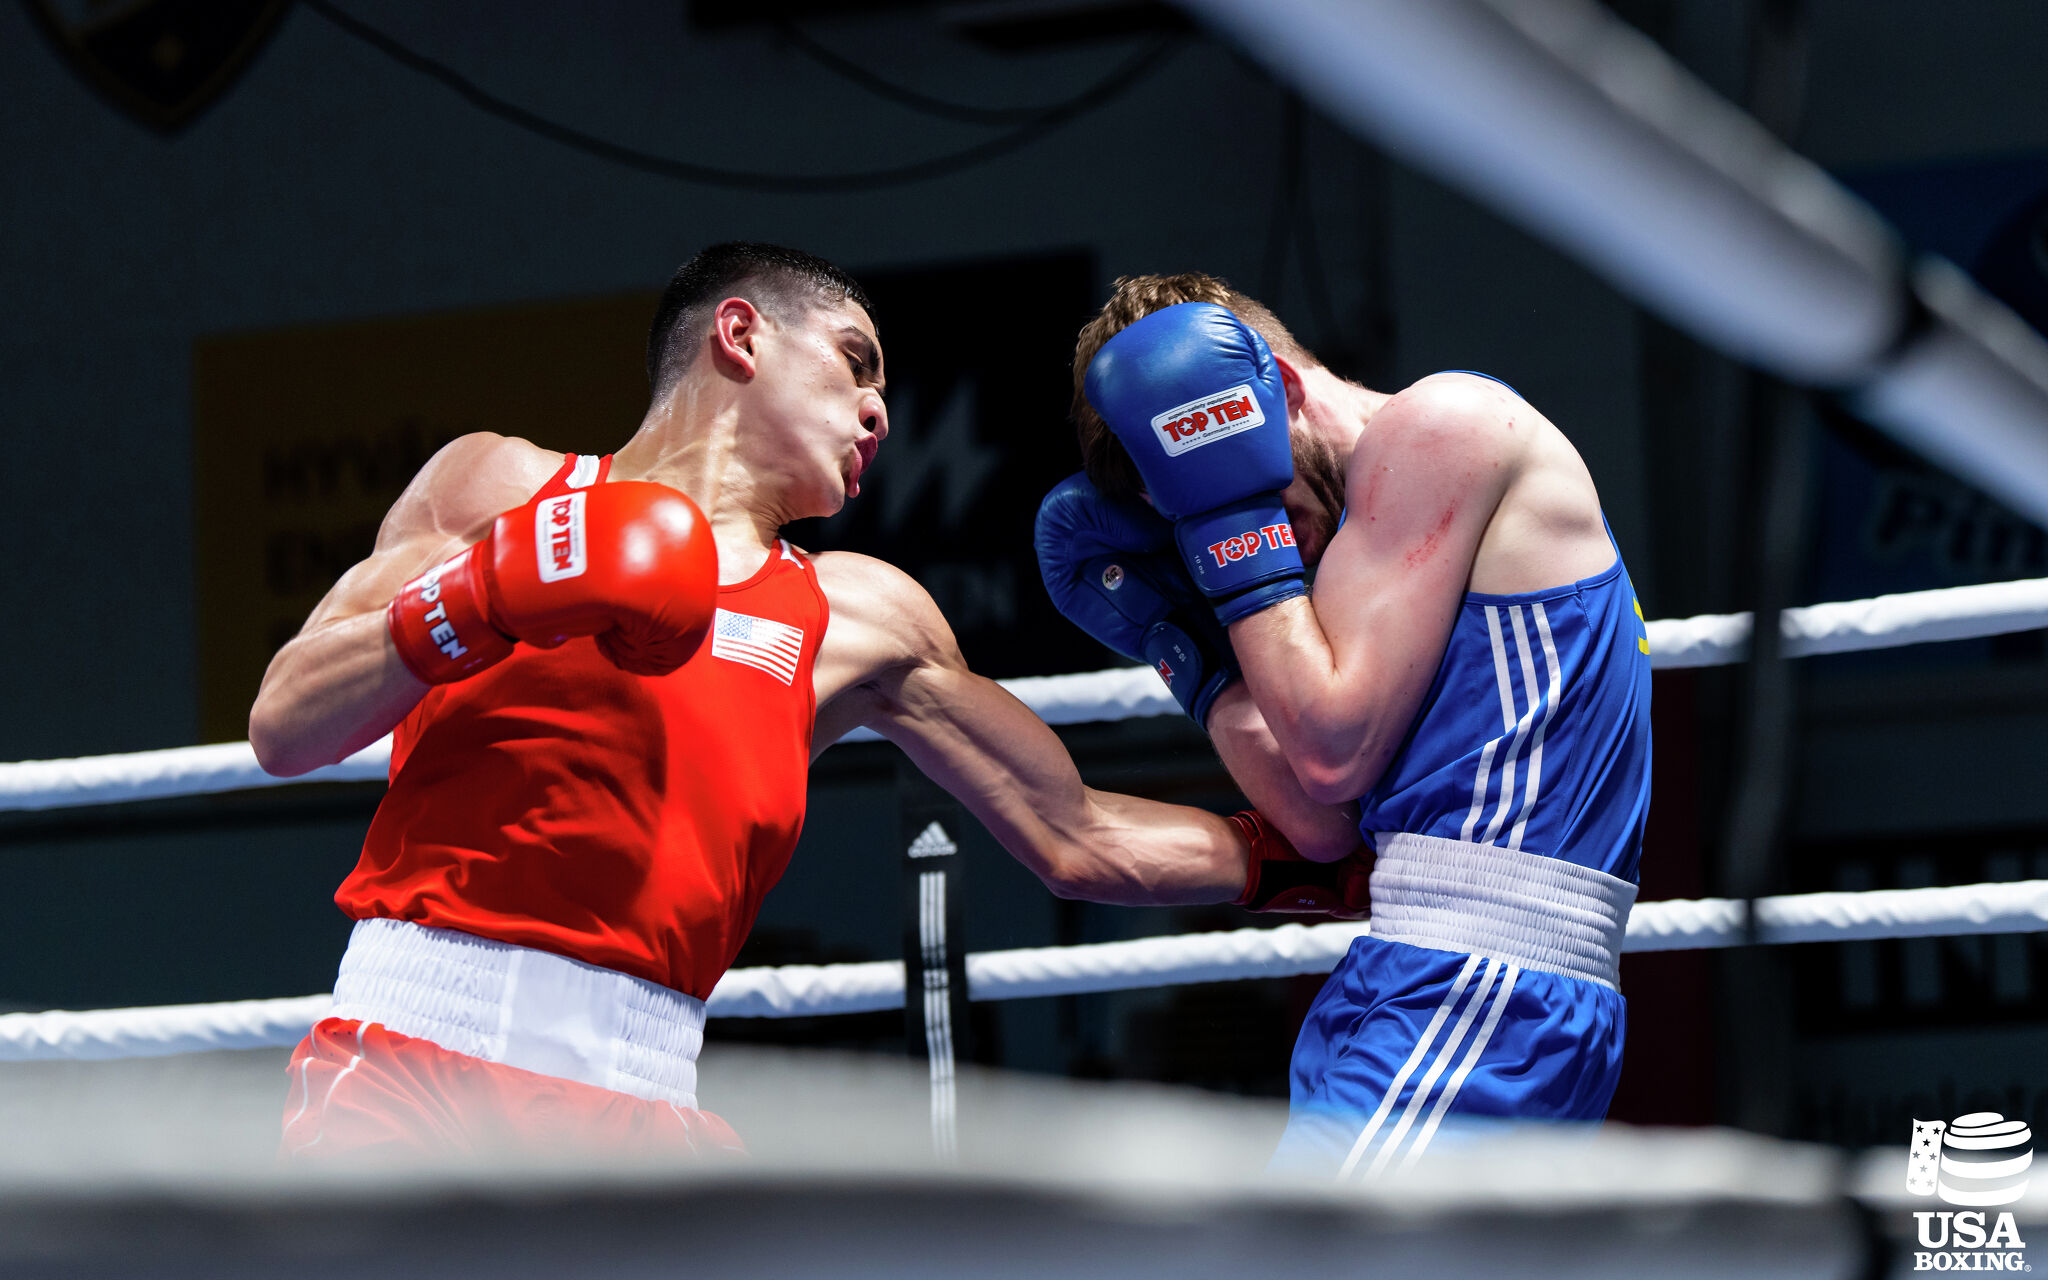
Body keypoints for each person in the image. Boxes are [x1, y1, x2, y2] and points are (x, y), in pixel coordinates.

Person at [248, 243, 1369, 1162]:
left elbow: (1076, 835)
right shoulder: (503, 484)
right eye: (854, 362)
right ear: (740, 334)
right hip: (411, 1059)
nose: (880, 409)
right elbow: (284, 724)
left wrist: (1348, 873)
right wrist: (481, 596)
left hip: (642, 1098)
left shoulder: (858, 614)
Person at [1042, 273, 1651, 1177]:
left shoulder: (1446, 423)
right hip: (1416, 974)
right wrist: (1191, 651)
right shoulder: (1348, 551)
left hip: (1482, 982)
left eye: (1259, 500)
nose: (1272, 537)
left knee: (1301, 1246)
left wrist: (1229, 525)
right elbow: (1322, 824)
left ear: (1277, 388)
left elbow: (1331, 754)